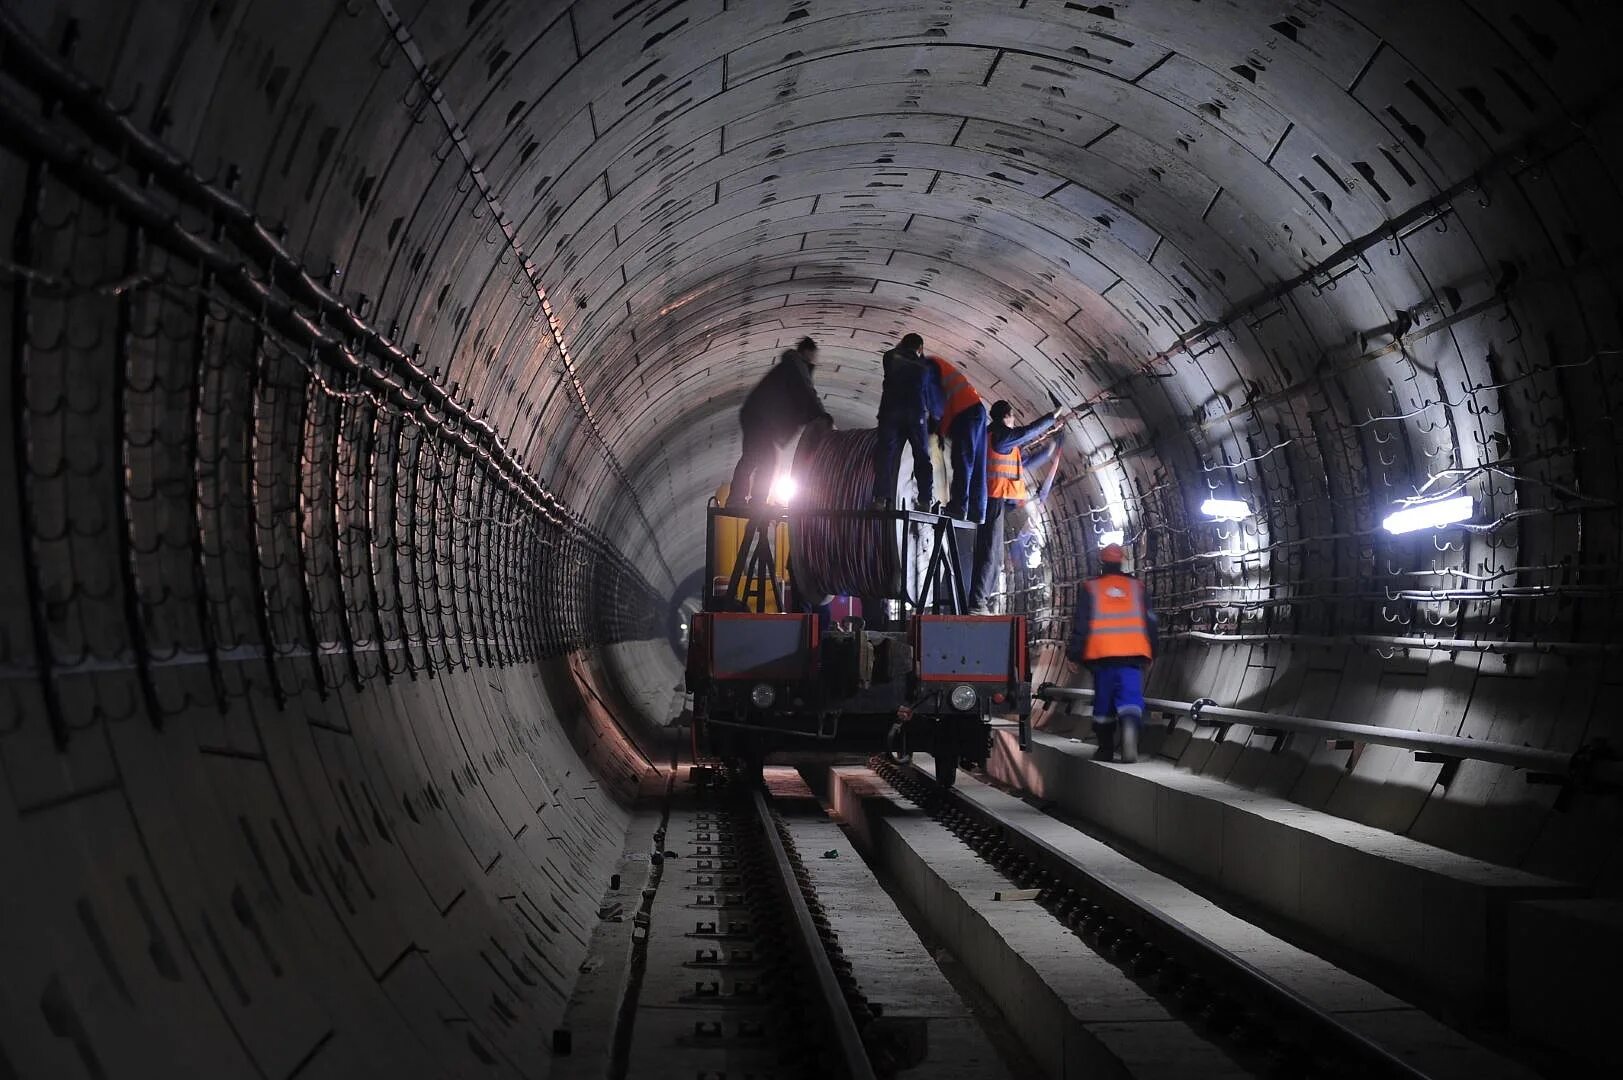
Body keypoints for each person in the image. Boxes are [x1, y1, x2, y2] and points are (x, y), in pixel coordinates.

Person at [968, 399, 1067, 612]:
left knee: (992, 553)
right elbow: (1028, 432)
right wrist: (1052, 417)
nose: (1014, 421)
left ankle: (980, 600)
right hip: (993, 499)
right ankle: (977, 603)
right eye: (1012, 417)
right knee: (989, 552)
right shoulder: (1001, 437)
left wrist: (1048, 450)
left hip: (995, 500)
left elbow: (1023, 463)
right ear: (1006, 417)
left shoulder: (993, 438)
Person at [1065, 543, 1157, 763]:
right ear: (1122, 560)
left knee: (1104, 703)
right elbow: (1150, 621)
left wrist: (1074, 654)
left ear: (1102, 562)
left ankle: (1105, 748)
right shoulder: (1137, 587)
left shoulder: (1090, 588)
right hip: (1133, 653)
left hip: (1102, 655)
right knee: (1130, 697)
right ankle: (1129, 731)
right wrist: (1153, 651)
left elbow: (1082, 623)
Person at [727, 345, 831, 507]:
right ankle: (751, 502)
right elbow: (806, 391)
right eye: (813, 355)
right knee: (765, 460)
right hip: (760, 418)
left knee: (755, 458)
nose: (814, 359)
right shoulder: (797, 366)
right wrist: (821, 414)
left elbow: (800, 400)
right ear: (807, 352)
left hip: (758, 416)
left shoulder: (793, 366)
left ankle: (740, 500)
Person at [872, 333, 941, 509]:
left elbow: (894, 355)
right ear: (920, 349)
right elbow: (931, 396)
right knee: (922, 456)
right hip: (915, 414)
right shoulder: (925, 367)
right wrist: (935, 420)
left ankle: (881, 498)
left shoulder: (889, 357)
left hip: (890, 412)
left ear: (902, 344)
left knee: (885, 454)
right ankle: (925, 499)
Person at [927, 353, 988, 521]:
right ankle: (977, 512)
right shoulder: (934, 365)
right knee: (976, 464)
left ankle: (958, 508)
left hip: (964, 413)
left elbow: (936, 402)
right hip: (973, 410)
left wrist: (931, 428)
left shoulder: (927, 368)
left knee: (962, 461)